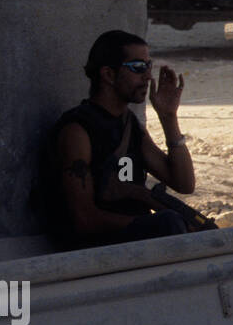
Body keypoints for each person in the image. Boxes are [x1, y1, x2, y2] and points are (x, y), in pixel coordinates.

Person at [41, 30, 196, 247]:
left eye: (149, 66)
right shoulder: (78, 129)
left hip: (134, 243)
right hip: (101, 251)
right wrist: (148, 221)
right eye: (138, 68)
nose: (148, 77)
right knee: (170, 223)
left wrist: (169, 117)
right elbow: (84, 220)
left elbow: (184, 183)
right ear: (109, 75)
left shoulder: (129, 125)